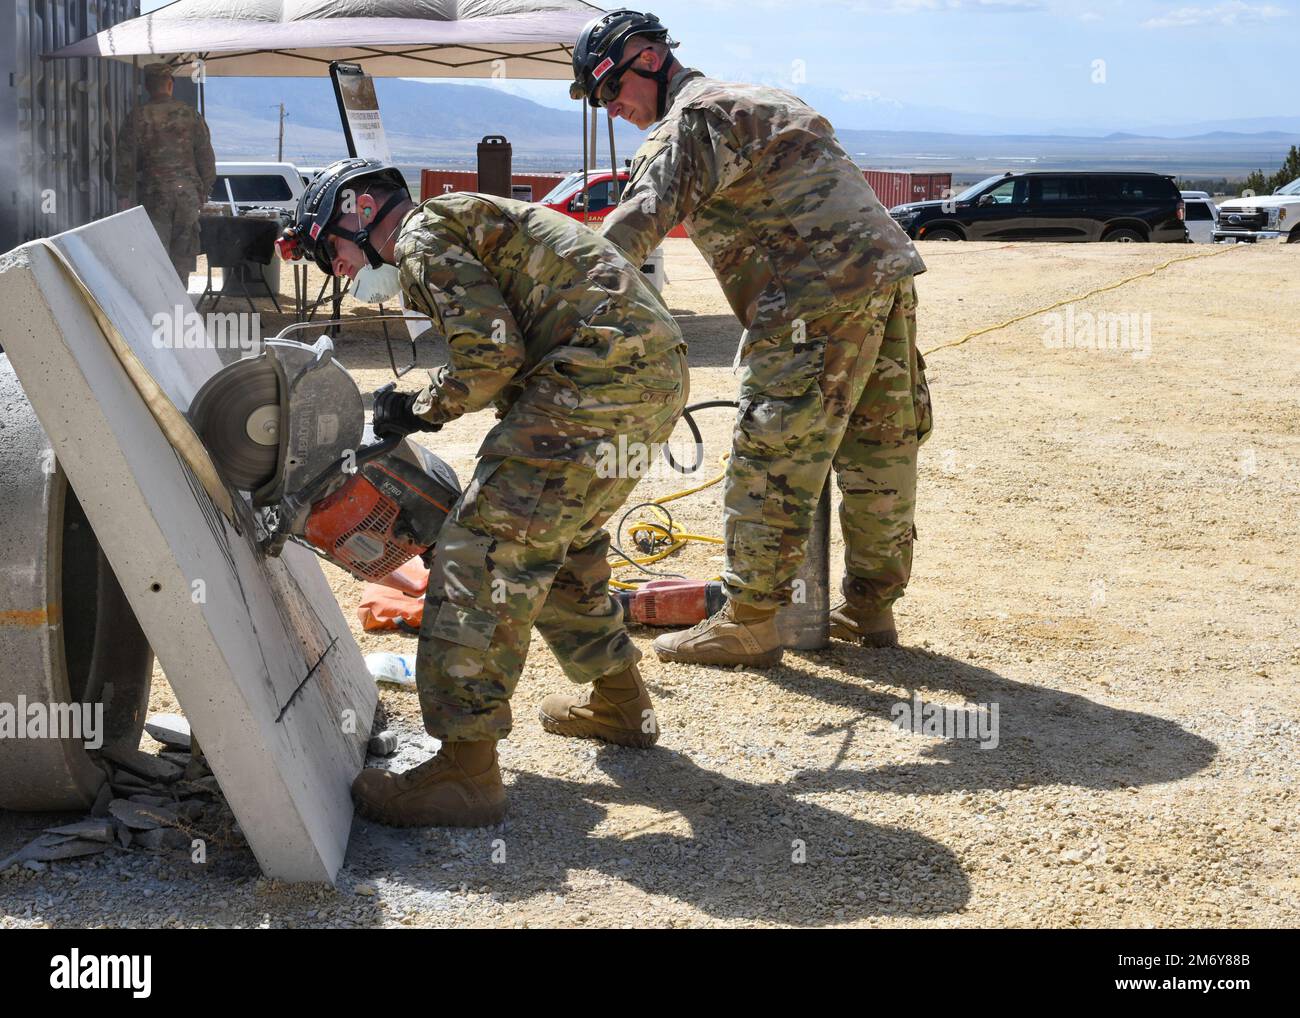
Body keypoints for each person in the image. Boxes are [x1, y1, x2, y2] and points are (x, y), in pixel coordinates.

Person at [279, 158, 688, 827]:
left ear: (357, 209)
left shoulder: (418, 234)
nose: (340, 270)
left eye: (333, 251)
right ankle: (621, 704)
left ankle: (466, 774)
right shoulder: (463, 217)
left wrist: (418, 408)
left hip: (594, 385)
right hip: (651, 378)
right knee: (560, 542)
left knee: (480, 551)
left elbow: (490, 359)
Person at [570, 10, 934, 668]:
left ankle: (749, 620)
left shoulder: (691, 121)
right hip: (884, 275)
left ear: (648, 60)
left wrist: (561, 303)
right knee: (881, 443)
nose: (612, 108)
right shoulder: (768, 96)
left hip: (810, 298)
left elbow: (635, 225)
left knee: (772, 449)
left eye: (611, 90)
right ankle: (872, 609)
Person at [115, 63, 216, 281]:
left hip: (154, 195)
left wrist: (123, 194)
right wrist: (204, 190)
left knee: (155, 254)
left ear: (147, 87)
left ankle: (157, 304)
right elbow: (206, 158)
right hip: (187, 196)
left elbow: (125, 162)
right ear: (170, 84)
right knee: (182, 254)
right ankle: (178, 304)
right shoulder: (191, 115)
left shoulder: (138, 118)